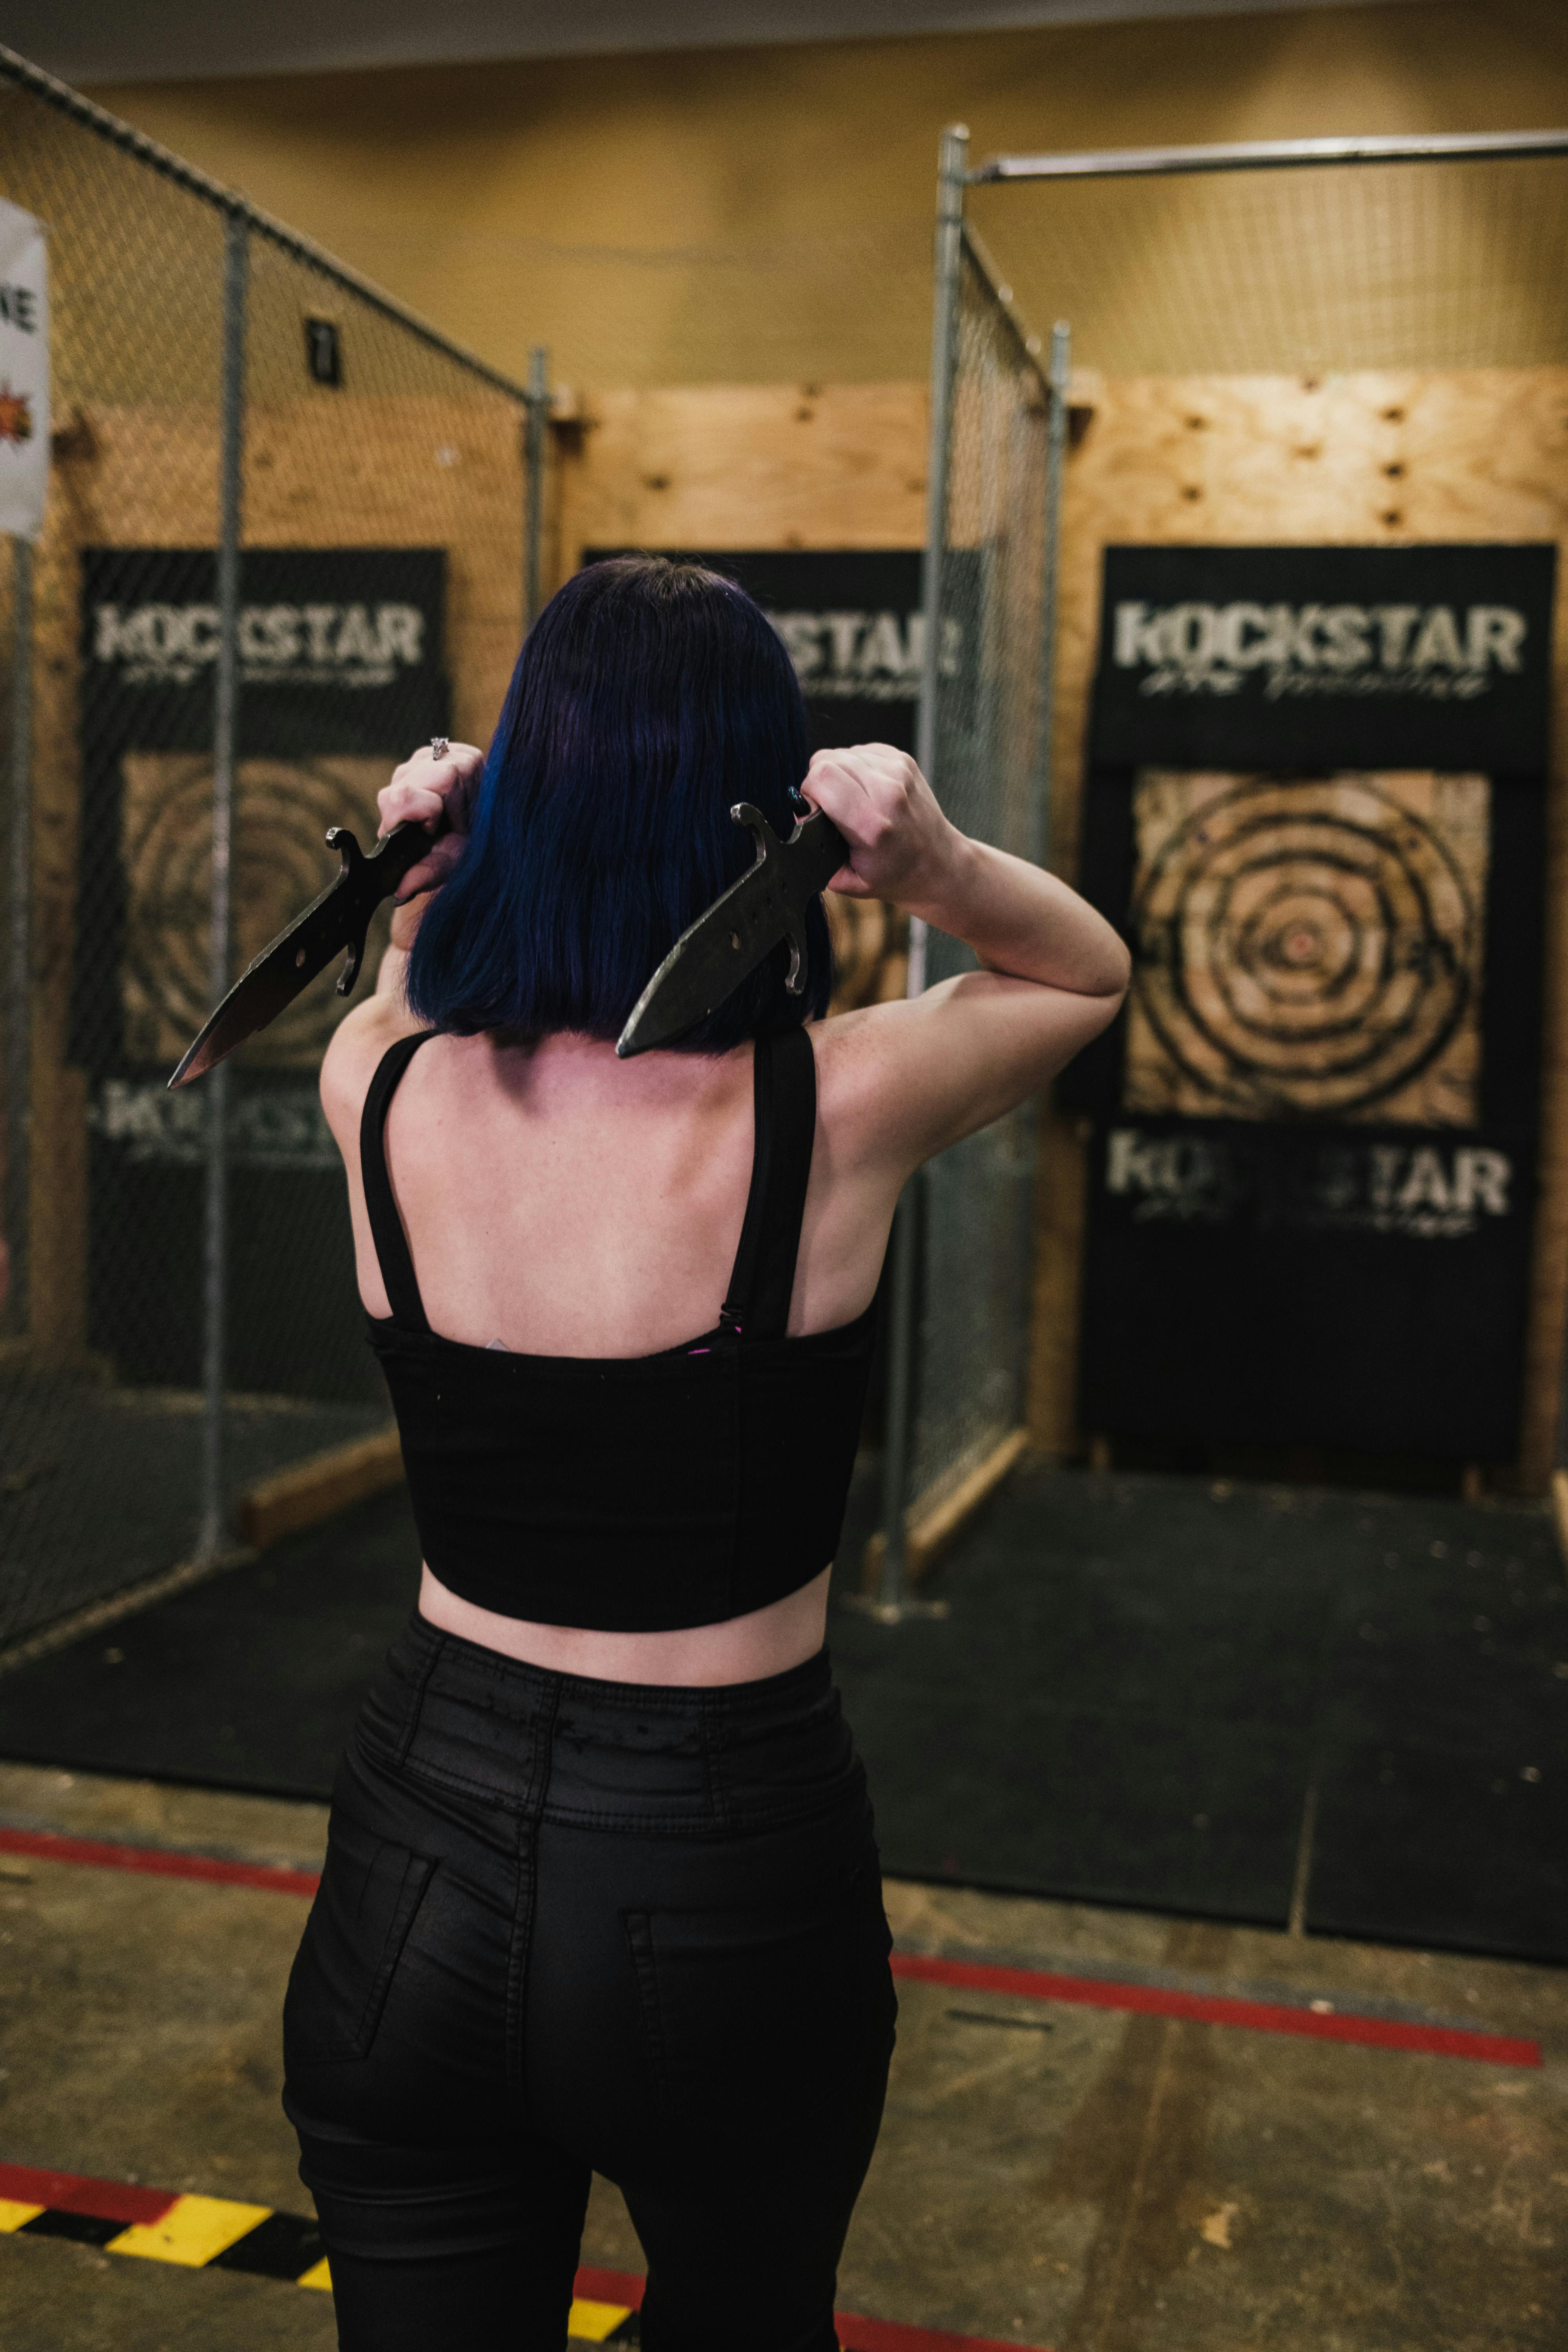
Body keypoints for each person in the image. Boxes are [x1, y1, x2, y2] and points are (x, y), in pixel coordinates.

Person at [281, 556, 1129, 2352]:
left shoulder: (376, 1084)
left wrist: (436, 853)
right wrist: (934, 864)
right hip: (720, 1856)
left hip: (412, 1852)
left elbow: (417, 977)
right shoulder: (835, 1105)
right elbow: (1081, 973)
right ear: (751, 808)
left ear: (534, 781)